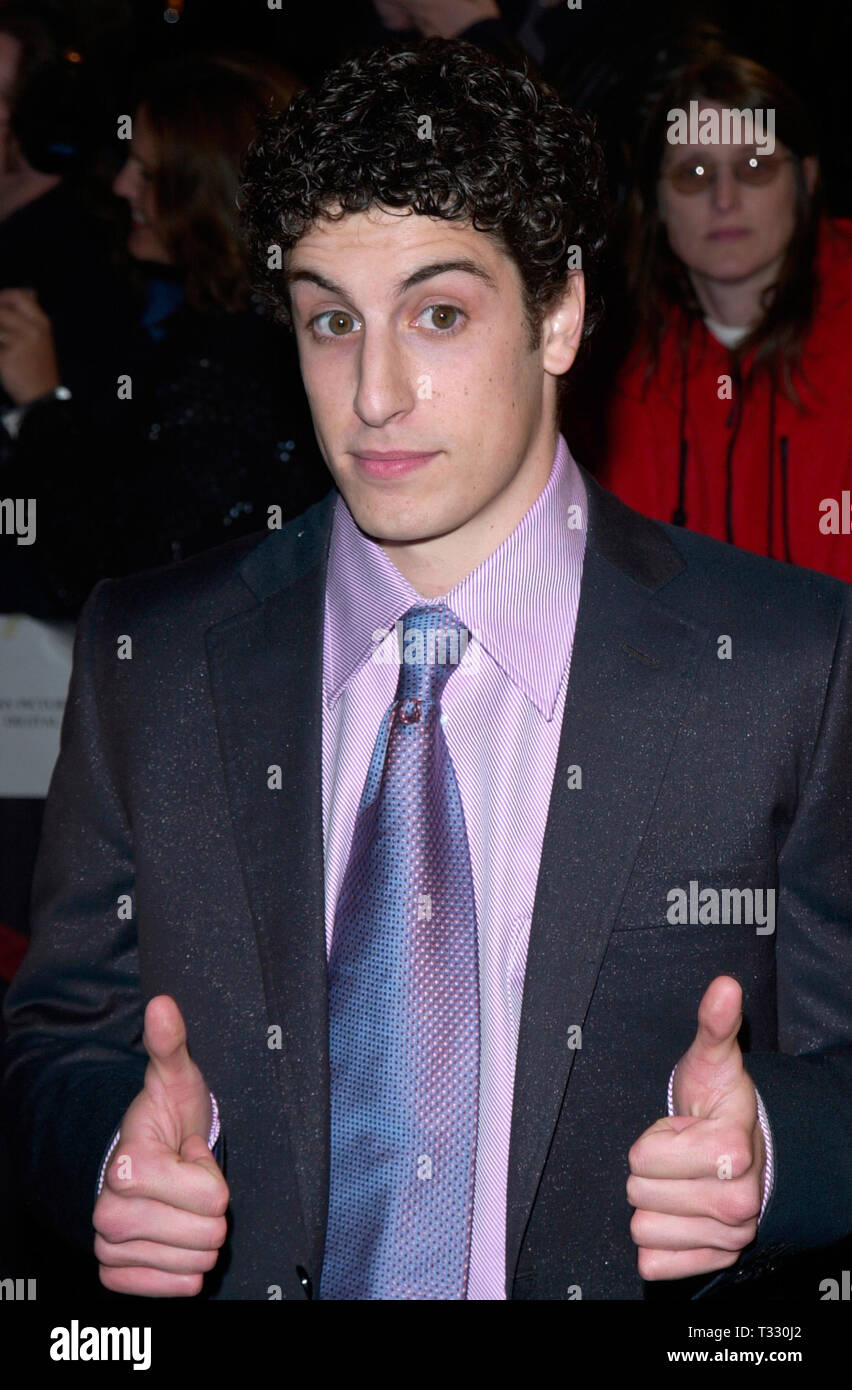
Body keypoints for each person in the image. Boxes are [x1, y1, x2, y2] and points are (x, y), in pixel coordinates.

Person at [2, 37, 850, 1302]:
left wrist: (770, 1149)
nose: (376, 393)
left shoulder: (786, 664)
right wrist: (109, 1157)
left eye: (440, 313)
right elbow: (51, 1044)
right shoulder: (156, 658)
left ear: (559, 314)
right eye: (331, 320)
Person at [0, 51, 331, 619]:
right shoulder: (210, 318)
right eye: (130, 162)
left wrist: (41, 406)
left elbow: (114, 573)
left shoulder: (246, 360)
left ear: (212, 194)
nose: (123, 186)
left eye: (150, 175)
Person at [597, 49, 852, 583]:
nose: (725, 198)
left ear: (806, 180)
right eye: (693, 173)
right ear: (656, 201)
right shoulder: (605, 360)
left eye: (755, 167)